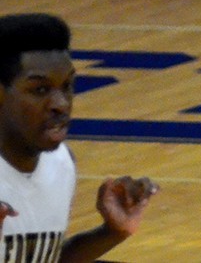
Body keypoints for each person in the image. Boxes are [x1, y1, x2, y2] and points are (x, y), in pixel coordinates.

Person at [0, 13, 159, 263]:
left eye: (67, 86)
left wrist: (112, 232)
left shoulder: (60, 164)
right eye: (40, 90)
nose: (61, 105)